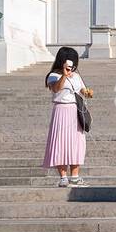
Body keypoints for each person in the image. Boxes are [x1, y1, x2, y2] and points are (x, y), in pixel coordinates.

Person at [42, 47, 93, 187]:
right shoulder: (53, 75)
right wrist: (64, 75)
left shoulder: (76, 76)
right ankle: (63, 177)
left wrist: (87, 93)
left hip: (74, 110)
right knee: (60, 142)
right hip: (61, 110)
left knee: (76, 142)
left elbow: (82, 90)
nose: (71, 66)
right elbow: (56, 89)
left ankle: (75, 176)